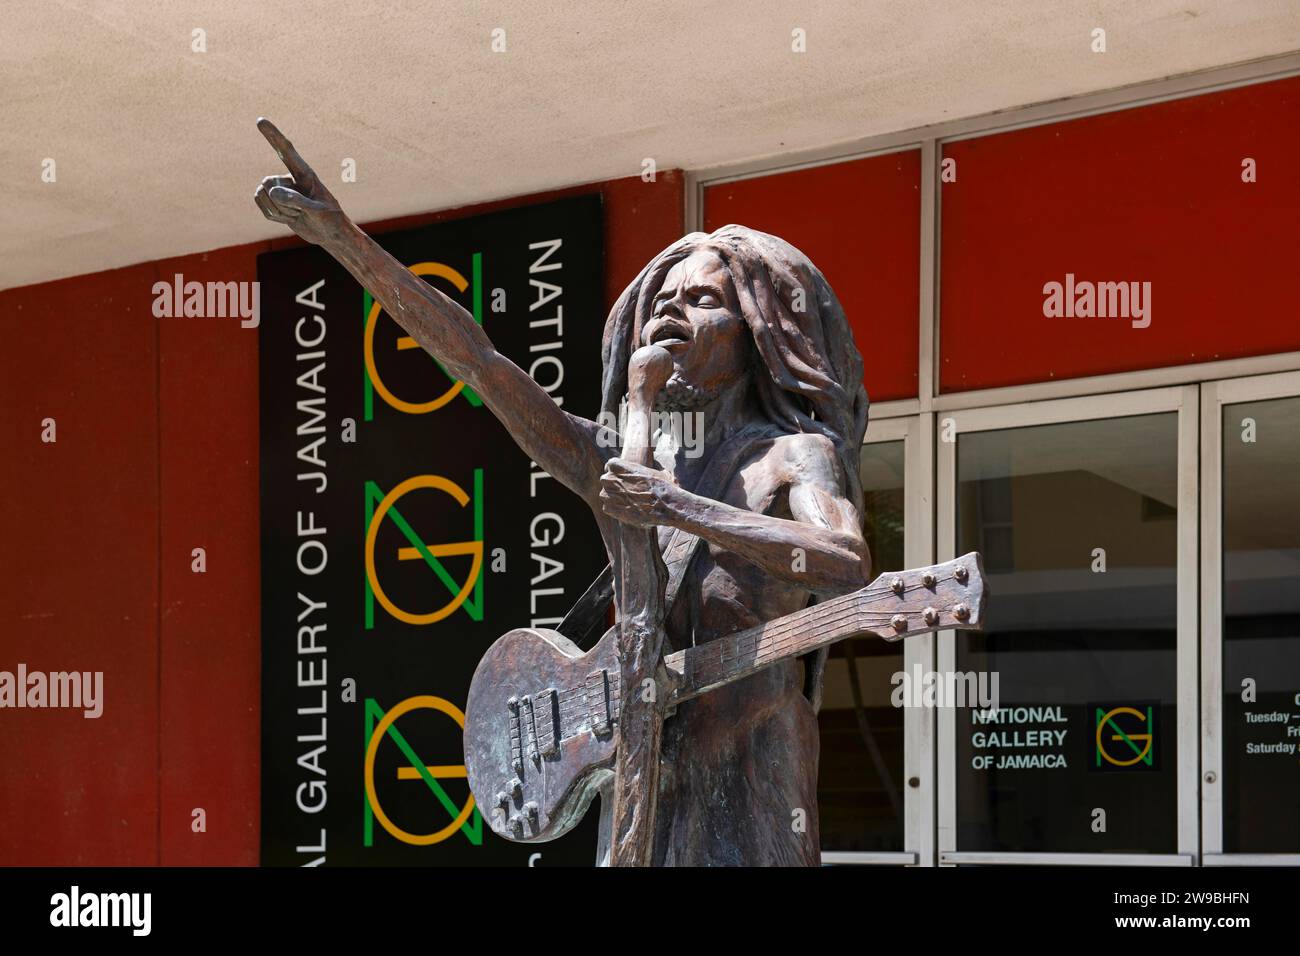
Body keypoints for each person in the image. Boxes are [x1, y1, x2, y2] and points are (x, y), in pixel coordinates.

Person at [254, 119, 871, 865]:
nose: (671, 313)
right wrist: (345, 242)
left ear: (757, 335)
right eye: (662, 302)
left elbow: (843, 560)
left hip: (750, 778)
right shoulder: (626, 457)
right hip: (639, 788)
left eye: (704, 300)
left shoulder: (791, 456)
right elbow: (478, 360)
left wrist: (679, 508)